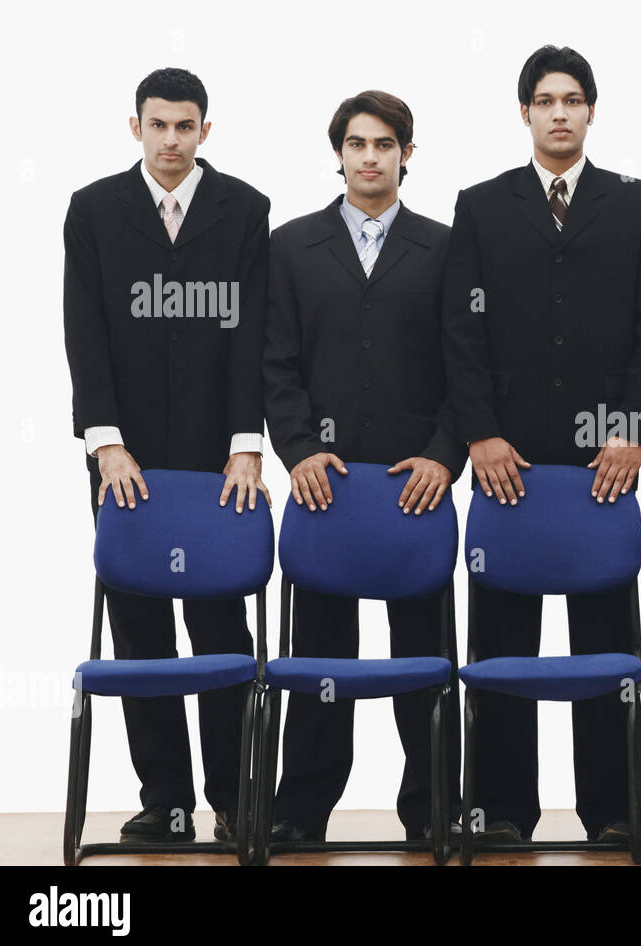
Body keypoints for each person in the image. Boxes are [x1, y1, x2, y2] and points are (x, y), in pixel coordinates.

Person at [441, 44, 641, 843]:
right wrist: (481, 433)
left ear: (591, 111)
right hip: (508, 459)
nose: (560, 111)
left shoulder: (636, 206)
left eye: (574, 99)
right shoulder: (481, 205)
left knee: (606, 639)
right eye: (546, 99)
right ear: (525, 113)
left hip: (603, 465)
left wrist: (635, 436)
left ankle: (613, 812)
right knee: (502, 637)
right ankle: (501, 811)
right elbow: (460, 331)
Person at [63, 67, 270, 842]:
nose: (172, 140)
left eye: (186, 127)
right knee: (140, 630)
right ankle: (168, 802)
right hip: (129, 460)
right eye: (159, 125)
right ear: (136, 128)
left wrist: (247, 447)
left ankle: (233, 801)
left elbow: (251, 335)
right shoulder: (93, 210)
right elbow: (84, 330)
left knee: (221, 629)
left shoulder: (245, 210)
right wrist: (105, 442)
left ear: (205, 132)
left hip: (220, 461)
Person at [262, 90, 466, 842]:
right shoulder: (290, 246)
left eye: (385, 144)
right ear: (340, 153)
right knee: (318, 660)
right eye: (357, 144)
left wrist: (446, 455)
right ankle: (301, 812)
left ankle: (435, 810)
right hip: (328, 486)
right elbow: (275, 363)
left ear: (407, 154)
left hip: (414, 488)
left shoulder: (446, 248)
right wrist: (298, 449)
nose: (370, 156)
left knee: (424, 658)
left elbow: (465, 367)